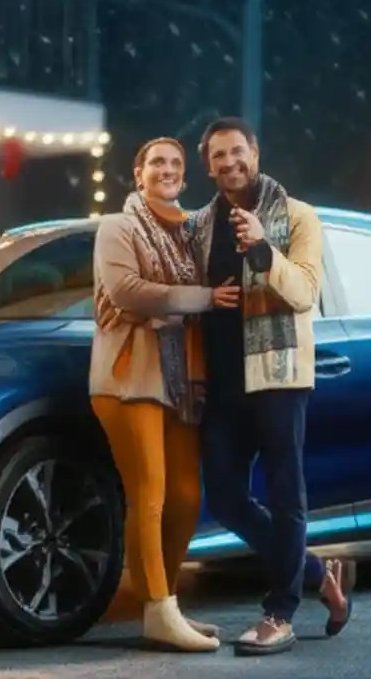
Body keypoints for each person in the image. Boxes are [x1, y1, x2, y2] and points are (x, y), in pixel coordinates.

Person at [185, 117, 352, 656]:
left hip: (278, 377)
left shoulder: (299, 216)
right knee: (228, 499)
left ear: (255, 153)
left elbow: (303, 291)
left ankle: (279, 612)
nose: (229, 163)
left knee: (286, 497)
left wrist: (262, 248)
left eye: (237, 151)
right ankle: (316, 574)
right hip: (223, 381)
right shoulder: (200, 227)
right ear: (207, 165)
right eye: (217, 156)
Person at [90, 136, 241, 652]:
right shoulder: (119, 227)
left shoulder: (190, 235)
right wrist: (201, 299)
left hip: (179, 376)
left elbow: (159, 301)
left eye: (176, 163)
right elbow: (126, 292)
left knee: (185, 494)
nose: (168, 169)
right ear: (138, 174)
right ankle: (157, 609)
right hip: (128, 375)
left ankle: (167, 602)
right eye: (157, 162)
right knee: (149, 492)